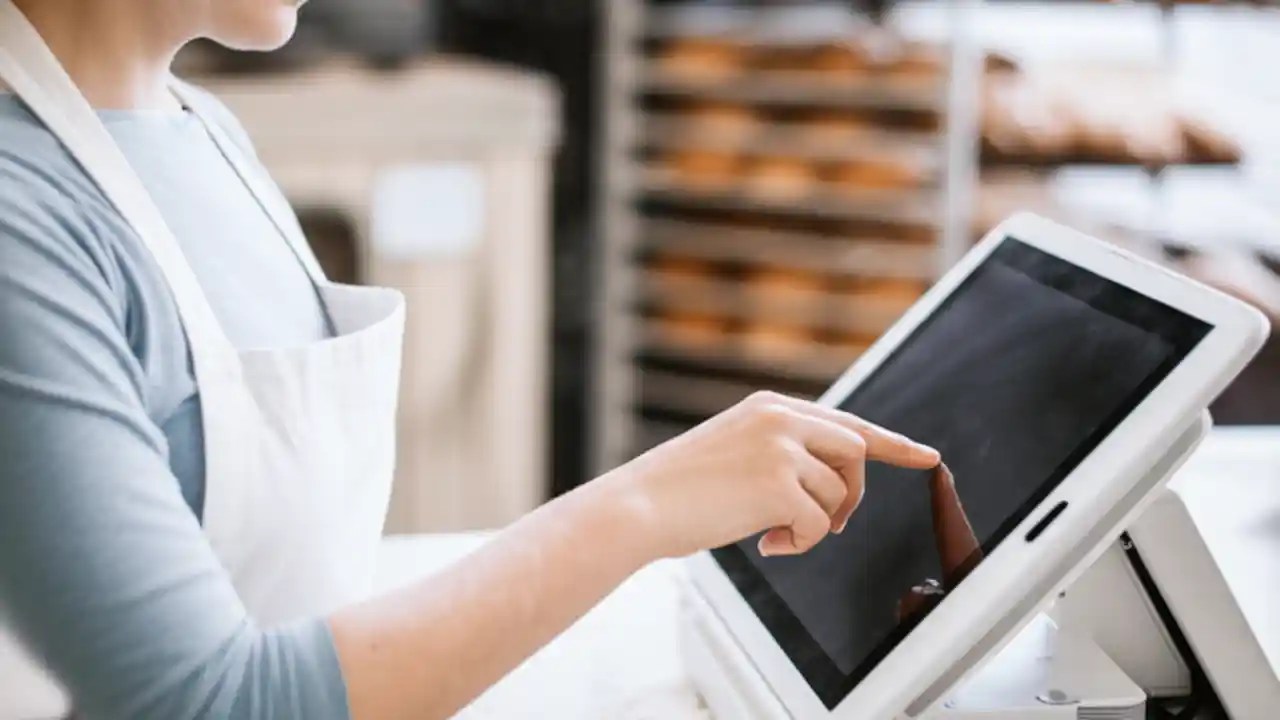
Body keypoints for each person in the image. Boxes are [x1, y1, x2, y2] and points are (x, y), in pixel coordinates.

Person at [0, 1, 940, 718]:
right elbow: (201, 701)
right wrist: (645, 505)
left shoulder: (204, 131)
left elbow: (290, 588)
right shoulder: (20, 221)